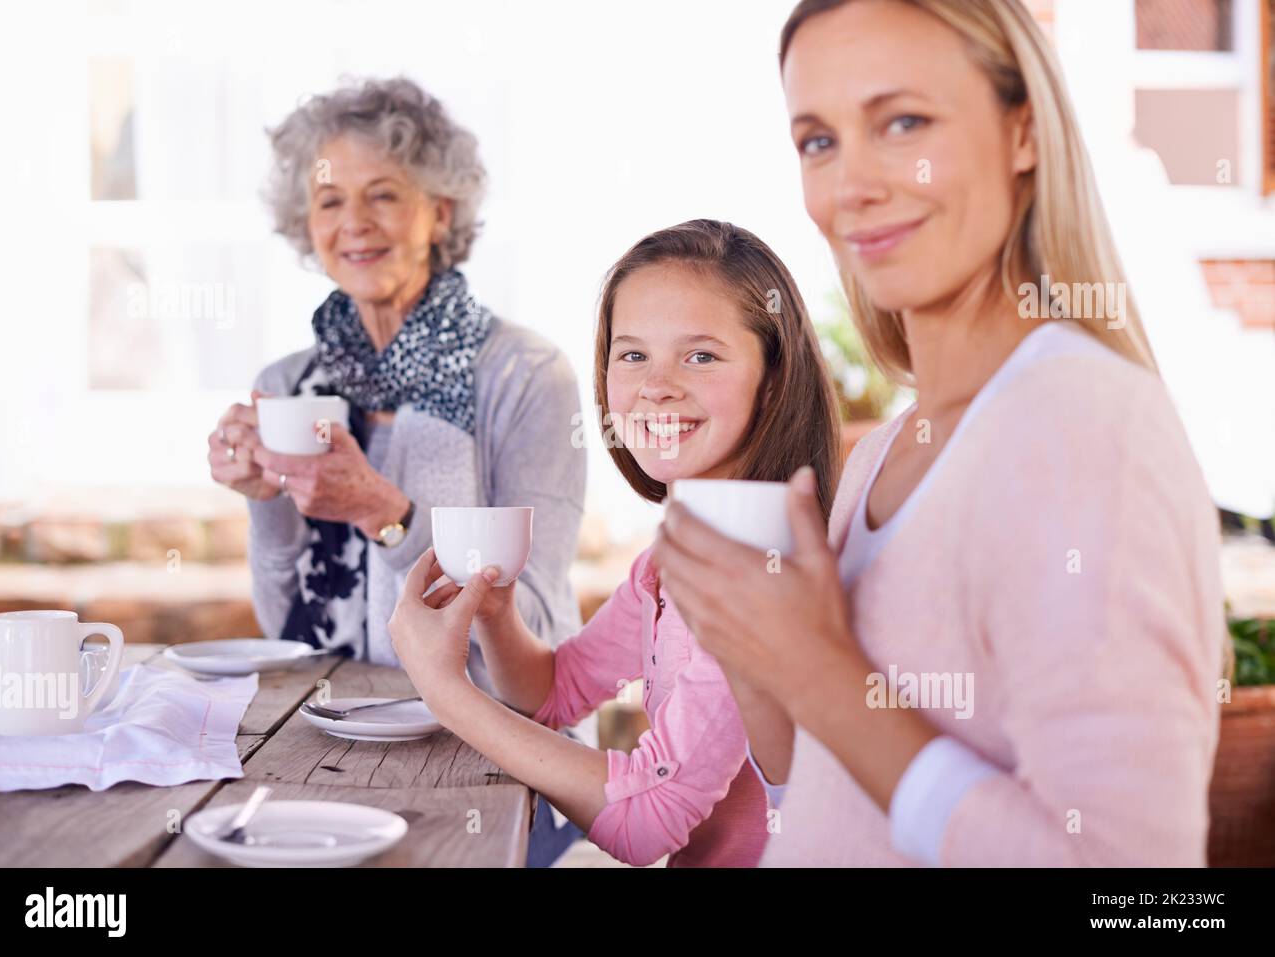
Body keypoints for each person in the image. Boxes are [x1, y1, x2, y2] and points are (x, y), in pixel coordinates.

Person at [653, 0, 1227, 866]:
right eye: (819, 140)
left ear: (1024, 133)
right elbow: (818, 790)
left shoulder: (1087, 431)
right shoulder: (886, 448)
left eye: (904, 121)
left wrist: (821, 672)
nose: (851, 185)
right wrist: (750, 639)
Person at [205, 76, 585, 864]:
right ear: (305, 225)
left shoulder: (526, 376)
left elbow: (539, 627)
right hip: (326, 747)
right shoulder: (288, 384)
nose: (355, 224)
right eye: (330, 201)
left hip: (496, 756)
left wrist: (391, 515)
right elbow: (289, 630)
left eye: (384, 194)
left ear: (440, 211)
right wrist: (264, 501)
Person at [389, 220, 841, 866]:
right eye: (632, 354)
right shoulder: (670, 560)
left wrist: (446, 690)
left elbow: (645, 818)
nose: (657, 385)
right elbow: (552, 691)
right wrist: (495, 612)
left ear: (772, 378)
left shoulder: (765, 570)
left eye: (701, 355)